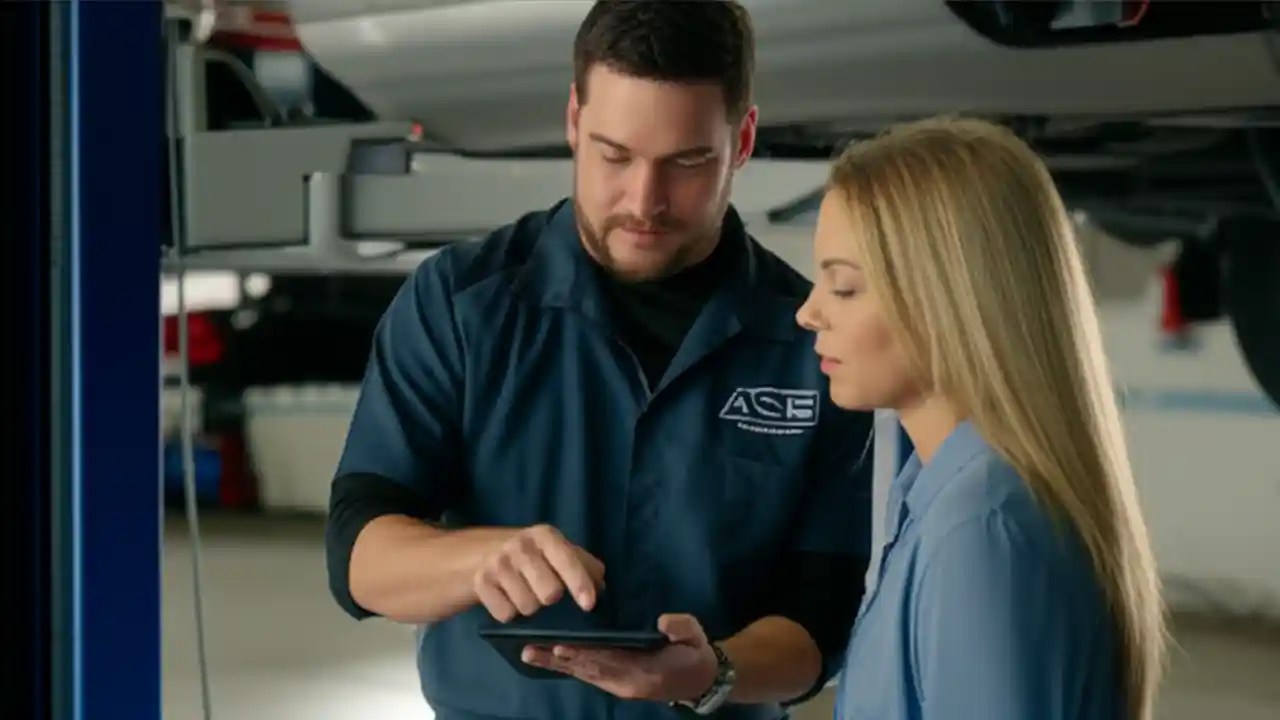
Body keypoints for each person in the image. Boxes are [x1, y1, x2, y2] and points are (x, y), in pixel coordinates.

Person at [325, 2, 875, 719]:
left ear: (741, 141)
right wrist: (481, 559)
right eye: (615, 156)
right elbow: (358, 555)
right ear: (573, 120)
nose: (644, 201)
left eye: (687, 162)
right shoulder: (461, 306)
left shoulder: (810, 340)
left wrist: (713, 672)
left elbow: (820, 620)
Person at [797, 116, 1169, 720]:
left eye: (843, 287)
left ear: (945, 299)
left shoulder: (980, 528)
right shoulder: (941, 490)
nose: (809, 313)